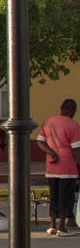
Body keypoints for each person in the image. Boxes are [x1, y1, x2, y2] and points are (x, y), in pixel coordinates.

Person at [38, 98, 80, 236]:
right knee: (65, 197)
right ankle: (62, 228)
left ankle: (52, 226)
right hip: (67, 168)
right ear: (73, 110)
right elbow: (76, 150)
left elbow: (40, 142)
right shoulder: (73, 125)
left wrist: (51, 153)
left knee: (54, 196)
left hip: (51, 168)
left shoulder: (48, 122)